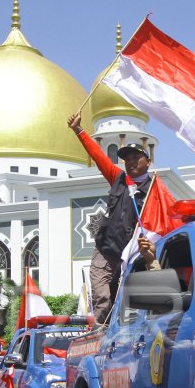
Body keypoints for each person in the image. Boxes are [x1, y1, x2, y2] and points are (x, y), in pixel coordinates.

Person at [67, 111, 159, 321]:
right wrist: (78, 130)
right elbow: (99, 157)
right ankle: (98, 338)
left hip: (131, 253)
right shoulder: (118, 178)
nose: (131, 162)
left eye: (136, 157)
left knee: (124, 301)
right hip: (106, 249)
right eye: (127, 159)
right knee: (103, 298)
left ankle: (116, 337)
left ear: (148, 161)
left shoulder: (155, 189)